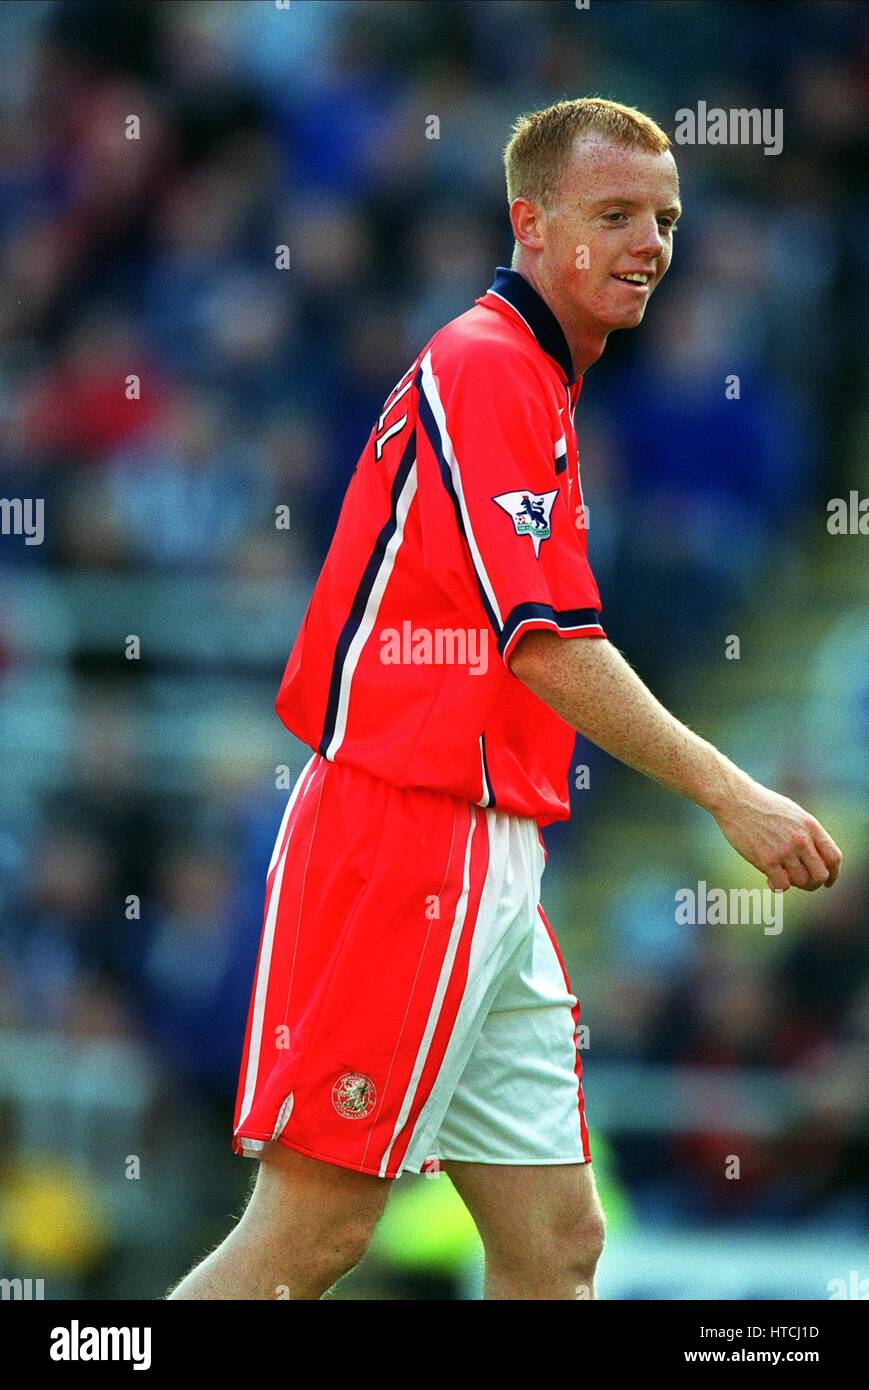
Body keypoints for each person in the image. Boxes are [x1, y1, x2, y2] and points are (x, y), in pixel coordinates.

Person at [168, 98, 842, 1302]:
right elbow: (545, 645)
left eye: (667, 220)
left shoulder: (535, 381)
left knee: (558, 1244)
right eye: (615, 215)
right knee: (310, 1237)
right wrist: (728, 792)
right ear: (528, 225)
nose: (650, 245)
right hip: (404, 834)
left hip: (487, 850)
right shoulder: (486, 369)